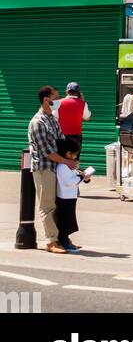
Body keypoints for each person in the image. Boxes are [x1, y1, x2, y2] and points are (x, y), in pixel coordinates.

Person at [28, 86, 77, 254]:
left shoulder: (52, 119)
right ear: (45, 100)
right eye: (55, 98)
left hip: (57, 167)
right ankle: (51, 241)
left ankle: (62, 238)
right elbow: (46, 151)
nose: (58, 101)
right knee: (47, 205)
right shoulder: (37, 122)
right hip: (44, 168)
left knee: (60, 205)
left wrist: (71, 159)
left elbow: (61, 142)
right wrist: (66, 161)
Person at [54, 138, 91, 252]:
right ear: (68, 153)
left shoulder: (68, 166)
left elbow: (76, 176)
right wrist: (81, 177)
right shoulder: (62, 166)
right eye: (75, 155)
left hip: (70, 197)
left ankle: (66, 240)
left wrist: (84, 177)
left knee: (69, 219)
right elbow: (70, 181)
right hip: (64, 198)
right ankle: (64, 241)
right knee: (65, 221)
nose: (76, 157)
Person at [57, 81, 91, 153]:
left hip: (62, 136)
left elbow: (53, 117)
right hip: (76, 137)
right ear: (78, 92)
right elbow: (87, 118)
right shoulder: (83, 104)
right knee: (75, 160)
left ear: (67, 92)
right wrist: (82, 101)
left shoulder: (58, 103)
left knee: (61, 158)